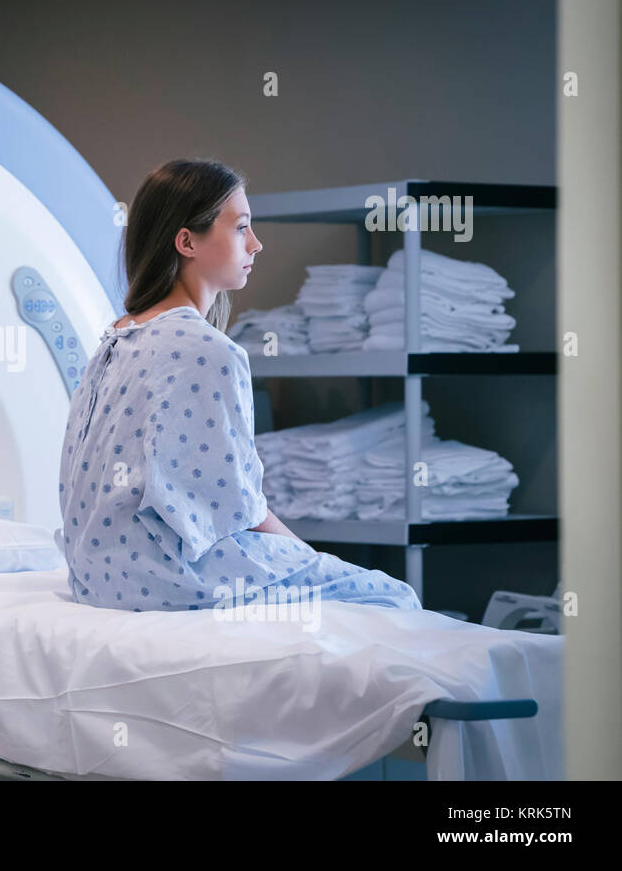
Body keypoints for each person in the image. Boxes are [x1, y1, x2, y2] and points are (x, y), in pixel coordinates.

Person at [57, 158, 421, 612]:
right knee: (390, 596)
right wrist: (309, 558)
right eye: (241, 228)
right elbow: (239, 511)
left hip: (96, 576)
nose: (256, 244)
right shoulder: (206, 350)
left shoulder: (115, 339)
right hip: (167, 579)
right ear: (187, 241)